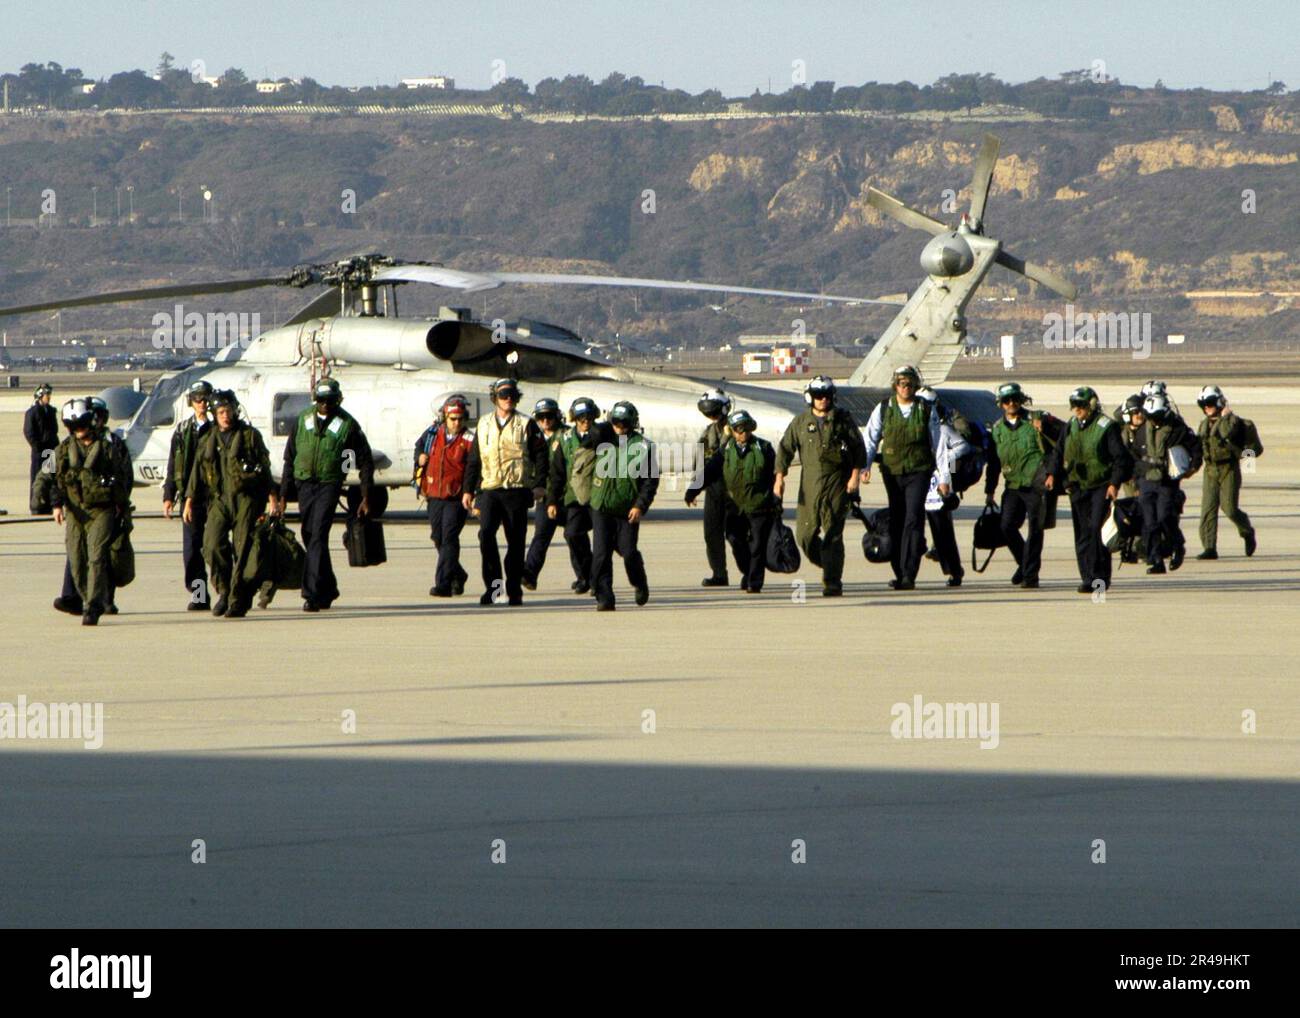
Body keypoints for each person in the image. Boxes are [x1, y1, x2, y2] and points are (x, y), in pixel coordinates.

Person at [278, 378, 375, 612]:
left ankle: (311, 593)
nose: (325, 405)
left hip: (329, 484)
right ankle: (328, 588)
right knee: (310, 534)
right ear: (315, 399)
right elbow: (290, 458)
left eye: (330, 400)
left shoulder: (348, 425)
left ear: (338, 400)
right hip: (304, 485)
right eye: (321, 400)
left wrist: (366, 496)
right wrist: (283, 495)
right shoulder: (302, 420)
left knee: (318, 534)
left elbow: (365, 460)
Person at [183, 389, 277, 618]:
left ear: (235, 411)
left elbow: (265, 468)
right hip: (219, 500)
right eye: (221, 411)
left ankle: (238, 600)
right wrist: (188, 501)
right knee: (212, 544)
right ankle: (224, 591)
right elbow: (197, 472)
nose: (225, 415)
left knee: (243, 549)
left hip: (246, 500)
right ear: (215, 413)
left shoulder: (249, 436)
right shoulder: (208, 439)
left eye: (229, 411)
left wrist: (272, 497)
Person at [775, 375, 867, 596]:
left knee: (834, 533)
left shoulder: (843, 420)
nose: (823, 399)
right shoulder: (800, 423)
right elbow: (785, 449)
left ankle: (832, 581)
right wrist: (779, 478)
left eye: (826, 395)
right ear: (811, 397)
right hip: (810, 486)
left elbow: (858, 450)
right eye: (818, 395)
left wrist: (855, 477)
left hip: (837, 483)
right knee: (804, 536)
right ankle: (829, 563)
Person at [462, 378, 550, 606]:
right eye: (503, 395)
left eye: (511, 394)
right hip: (490, 490)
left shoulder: (526, 424)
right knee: (486, 537)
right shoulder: (483, 424)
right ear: (495, 398)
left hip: (516, 491)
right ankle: (493, 588)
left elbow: (542, 456)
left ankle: (514, 590)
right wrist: (468, 490)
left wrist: (539, 484)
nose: (508, 398)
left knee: (516, 542)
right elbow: (474, 460)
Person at [861, 366, 946, 591]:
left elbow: (938, 445)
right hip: (892, 471)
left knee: (913, 519)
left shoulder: (926, 410)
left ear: (915, 385)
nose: (905, 387)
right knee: (897, 520)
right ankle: (899, 572)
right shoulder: (883, 409)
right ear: (895, 386)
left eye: (909, 383)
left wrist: (943, 476)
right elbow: (870, 438)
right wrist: (864, 466)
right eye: (901, 383)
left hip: (919, 471)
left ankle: (909, 573)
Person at [50, 398, 132, 625]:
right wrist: (56, 504)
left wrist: (121, 508)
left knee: (96, 557)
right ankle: (88, 599)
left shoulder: (109, 446)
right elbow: (52, 478)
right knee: (76, 561)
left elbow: (123, 477)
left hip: (102, 510)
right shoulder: (63, 449)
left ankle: (94, 606)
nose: (80, 430)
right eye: (75, 426)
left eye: (83, 425)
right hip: (76, 512)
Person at [686, 408, 781, 593]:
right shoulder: (726, 450)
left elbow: (775, 476)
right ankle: (748, 571)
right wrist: (693, 491)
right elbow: (711, 470)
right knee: (734, 538)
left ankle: (754, 582)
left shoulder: (764, 448)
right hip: (735, 506)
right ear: (733, 431)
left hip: (758, 505)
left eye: (745, 429)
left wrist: (775, 500)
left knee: (757, 544)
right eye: (738, 429)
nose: (742, 433)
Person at [1051, 386, 1133, 593]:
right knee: (1082, 534)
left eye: (1081, 405)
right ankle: (1087, 577)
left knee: (1097, 529)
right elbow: (1058, 452)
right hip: (1077, 486)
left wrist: (1114, 483)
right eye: (1074, 406)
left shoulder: (1107, 427)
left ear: (1092, 405)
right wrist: (1053, 474)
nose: (1077, 409)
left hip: (1101, 486)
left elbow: (1121, 459)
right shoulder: (1070, 425)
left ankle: (1101, 578)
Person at [588, 401, 658, 610]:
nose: (620, 426)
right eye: (616, 421)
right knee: (601, 554)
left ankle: (639, 582)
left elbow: (650, 481)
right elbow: (586, 437)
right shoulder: (601, 439)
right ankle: (604, 596)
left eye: (624, 422)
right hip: (601, 507)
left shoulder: (644, 446)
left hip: (627, 510)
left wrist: (640, 506)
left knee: (628, 552)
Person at [982, 382, 1052, 589]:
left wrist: (1046, 428)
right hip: (1013, 485)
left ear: (1021, 400)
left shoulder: (1036, 420)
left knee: (1036, 530)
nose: (1011, 403)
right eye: (1006, 400)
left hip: (1036, 484)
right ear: (1001, 404)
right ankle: (1024, 563)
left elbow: (1063, 439)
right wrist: (989, 490)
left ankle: (1031, 576)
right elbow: (994, 463)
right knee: (1006, 526)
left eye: (1015, 399)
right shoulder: (996, 430)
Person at [1130, 393, 1202, 574]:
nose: (1152, 420)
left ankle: (1178, 545)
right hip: (1146, 479)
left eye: (1156, 417)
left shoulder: (1177, 428)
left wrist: (1193, 467)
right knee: (1150, 522)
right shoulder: (1141, 431)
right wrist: (1136, 479)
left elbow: (1196, 447)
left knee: (1164, 518)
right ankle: (1156, 560)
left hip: (1167, 481)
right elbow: (1133, 454)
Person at [523, 397, 586, 591]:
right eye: (541, 417)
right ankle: (529, 575)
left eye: (549, 416)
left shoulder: (567, 436)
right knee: (541, 534)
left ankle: (586, 576)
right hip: (546, 495)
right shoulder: (533, 438)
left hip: (569, 495)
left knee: (575, 537)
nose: (545, 421)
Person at [414, 396, 474, 597]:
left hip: (455, 497)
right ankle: (458, 574)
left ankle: (443, 584)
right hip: (434, 495)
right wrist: (420, 456)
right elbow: (419, 447)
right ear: (445, 418)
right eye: (452, 419)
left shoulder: (469, 440)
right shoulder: (432, 434)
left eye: (460, 419)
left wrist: (470, 492)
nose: (457, 423)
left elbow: (473, 469)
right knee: (438, 537)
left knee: (449, 538)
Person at [162, 380, 214, 610]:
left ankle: (228, 591)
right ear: (191, 402)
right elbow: (174, 464)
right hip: (190, 501)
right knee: (192, 551)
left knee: (216, 548)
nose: (201, 403)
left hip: (215, 498)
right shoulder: (183, 431)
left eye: (205, 398)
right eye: (197, 399)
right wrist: (168, 495)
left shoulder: (219, 428)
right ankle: (200, 595)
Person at [544, 397, 602, 596]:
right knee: (572, 534)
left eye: (588, 417)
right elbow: (557, 473)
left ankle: (598, 581)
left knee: (605, 542)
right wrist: (552, 500)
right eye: (581, 417)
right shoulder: (566, 439)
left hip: (598, 496)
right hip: (574, 497)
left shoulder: (603, 436)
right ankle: (588, 577)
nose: (585, 421)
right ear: (574, 418)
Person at [1195, 385, 1257, 560]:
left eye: (1210, 403)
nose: (1206, 407)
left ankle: (1246, 531)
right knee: (1208, 509)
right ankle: (1209, 547)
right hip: (1210, 470)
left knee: (1229, 508)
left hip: (1228, 468)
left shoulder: (1235, 423)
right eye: (1203, 404)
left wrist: (1226, 417)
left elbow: (1246, 445)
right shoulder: (1204, 425)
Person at [916, 387, 967, 587]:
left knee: (943, 532)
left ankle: (954, 571)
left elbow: (963, 446)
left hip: (939, 488)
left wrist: (945, 461)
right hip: (918, 485)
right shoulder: (915, 429)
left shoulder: (943, 429)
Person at [695, 388, 745, 586]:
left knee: (735, 535)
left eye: (714, 412)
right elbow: (701, 457)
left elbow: (730, 453)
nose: (712, 416)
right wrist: (696, 486)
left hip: (734, 490)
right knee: (711, 533)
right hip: (714, 489)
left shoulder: (737, 428)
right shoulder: (708, 432)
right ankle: (719, 573)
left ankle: (748, 572)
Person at [24, 383, 58, 487]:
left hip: (50, 450)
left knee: (52, 480)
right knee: (37, 480)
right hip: (39, 452)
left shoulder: (51, 411)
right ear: (40, 396)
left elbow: (54, 430)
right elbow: (29, 432)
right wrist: (37, 447)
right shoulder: (32, 412)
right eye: (47, 395)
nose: (49, 397)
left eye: (49, 394)